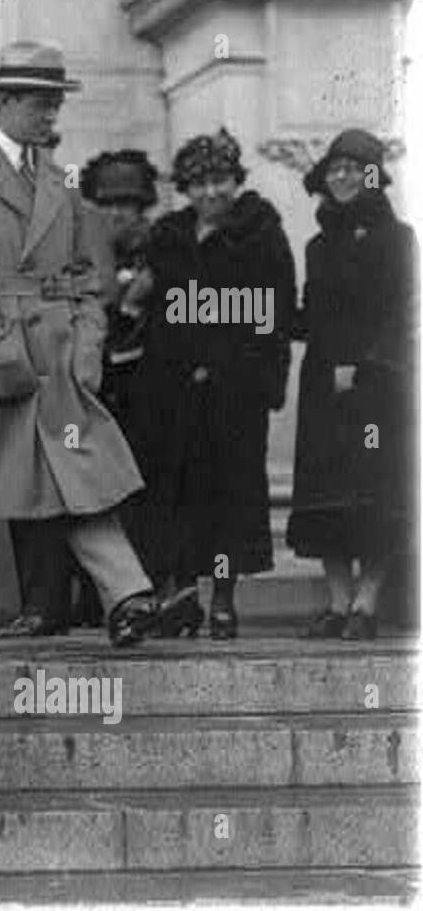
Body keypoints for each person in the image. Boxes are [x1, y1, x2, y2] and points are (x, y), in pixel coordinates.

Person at [0, 40, 159, 651]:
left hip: (55, 361)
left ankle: (128, 596)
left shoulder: (63, 184)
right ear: (4, 101)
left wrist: (86, 344)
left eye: (56, 105)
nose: (52, 117)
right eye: (41, 104)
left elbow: (87, 280)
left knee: (82, 476)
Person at [134, 128, 296, 638]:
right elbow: (158, 315)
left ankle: (224, 600)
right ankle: (183, 597)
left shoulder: (262, 234)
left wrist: (254, 378)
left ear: (236, 180)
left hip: (234, 393)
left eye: (220, 180)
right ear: (185, 187)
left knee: (230, 500)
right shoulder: (169, 238)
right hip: (175, 391)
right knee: (178, 492)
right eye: (199, 183)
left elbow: (274, 317)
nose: (211, 193)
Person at [288, 130, 417, 640]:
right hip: (322, 384)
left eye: (353, 167)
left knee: (376, 491)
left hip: (378, 386)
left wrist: (364, 366)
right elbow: (313, 315)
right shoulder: (317, 245)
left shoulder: (397, 238)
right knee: (325, 493)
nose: (341, 176)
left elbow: (402, 310)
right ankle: (338, 604)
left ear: (371, 176)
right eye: (334, 168)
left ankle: (367, 603)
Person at [71, 149, 161, 628]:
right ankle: (98, 599)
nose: (116, 213)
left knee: (141, 489)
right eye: (106, 204)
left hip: (146, 388)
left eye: (127, 204)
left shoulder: (159, 250)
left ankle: (148, 591)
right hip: (97, 388)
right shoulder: (85, 248)